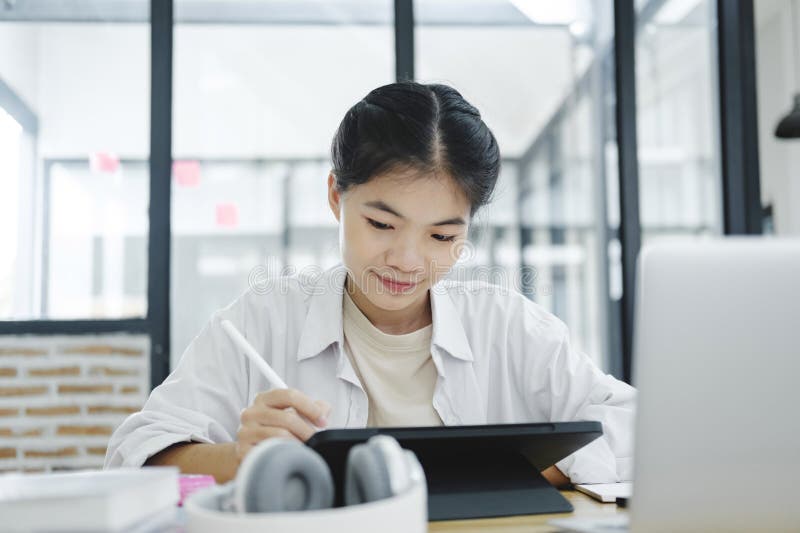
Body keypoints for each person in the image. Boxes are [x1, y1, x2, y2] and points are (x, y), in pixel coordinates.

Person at [105, 82, 635, 487]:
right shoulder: (263, 318)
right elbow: (135, 453)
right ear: (336, 196)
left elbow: (636, 422)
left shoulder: (507, 325)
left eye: (442, 235)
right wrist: (239, 458)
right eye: (381, 225)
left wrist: (511, 477)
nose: (407, 260)